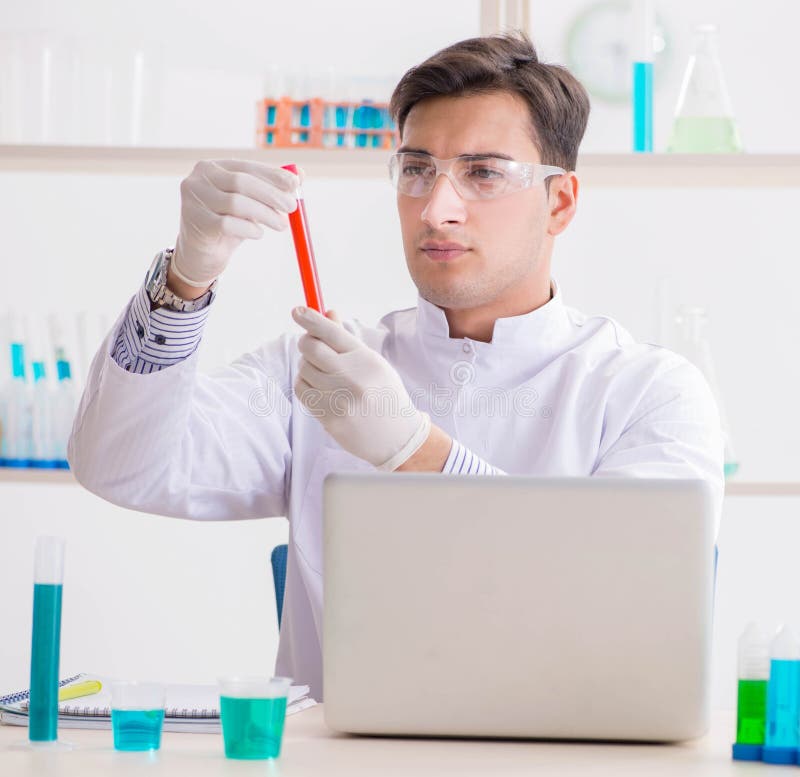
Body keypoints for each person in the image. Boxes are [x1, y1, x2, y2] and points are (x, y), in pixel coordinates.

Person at [69, 33, 723, 701]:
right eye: (416, 169)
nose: (436, 208)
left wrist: (416, 450)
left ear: (560, 202)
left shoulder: (650, 393)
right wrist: (184, 278)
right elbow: (120, 463)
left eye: (484, 172)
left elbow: (626, 606)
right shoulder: (326, 369)